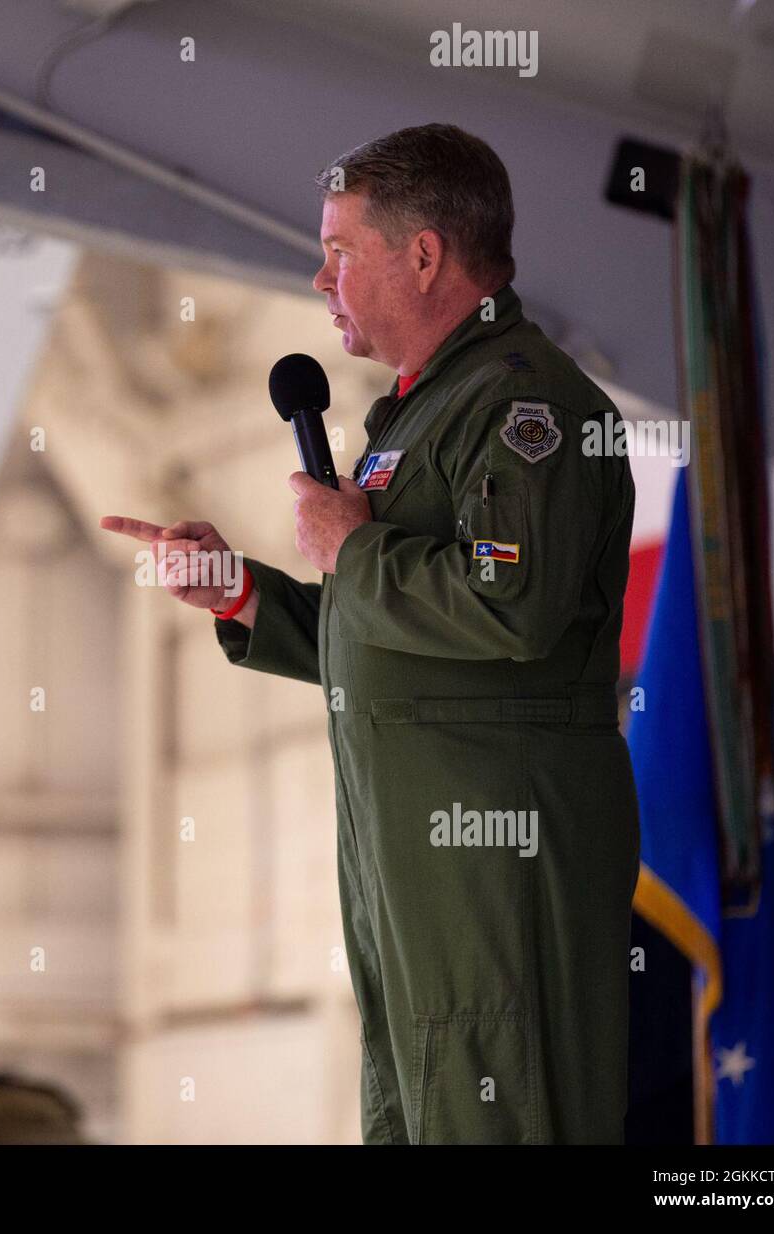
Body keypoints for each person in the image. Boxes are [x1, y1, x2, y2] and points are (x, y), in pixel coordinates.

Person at [101, 123, 639, 1144]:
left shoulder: (524, 404)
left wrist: (355, 550)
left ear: (423, 255)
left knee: (498, 1105)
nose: (318, 277)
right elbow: (408, 639)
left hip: (496, 862)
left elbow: (507, 608)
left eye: (339, 250)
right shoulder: (424, 414)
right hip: (416, 871)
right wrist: (239, 595)